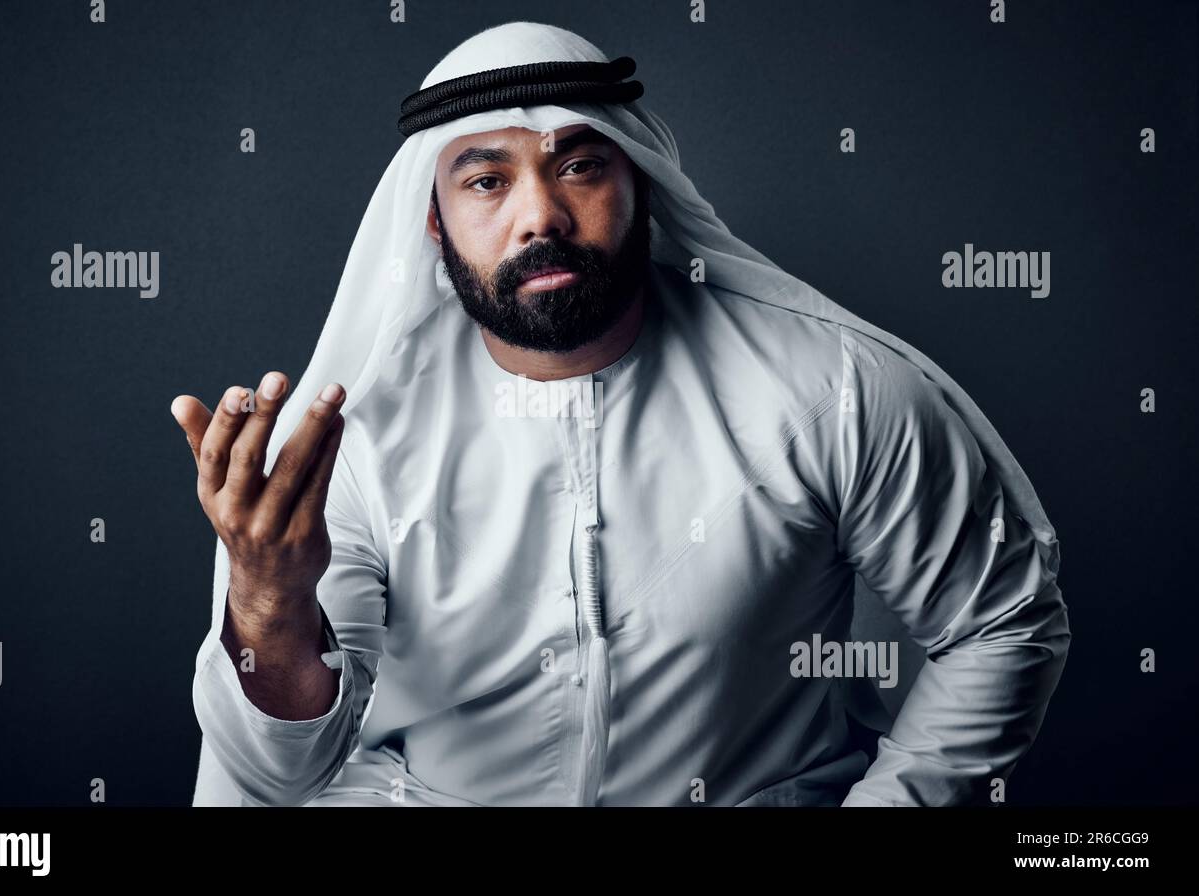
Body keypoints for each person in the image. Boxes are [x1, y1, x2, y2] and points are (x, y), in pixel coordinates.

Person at [171, 21, 1070, 807]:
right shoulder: (360, 436)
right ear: (434, 223)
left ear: (642, 184)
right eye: (486, 181)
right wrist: (266, 599)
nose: (541, 217)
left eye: (580, 166)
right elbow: (283, 775)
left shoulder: (829, 387)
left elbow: (1001, 622)